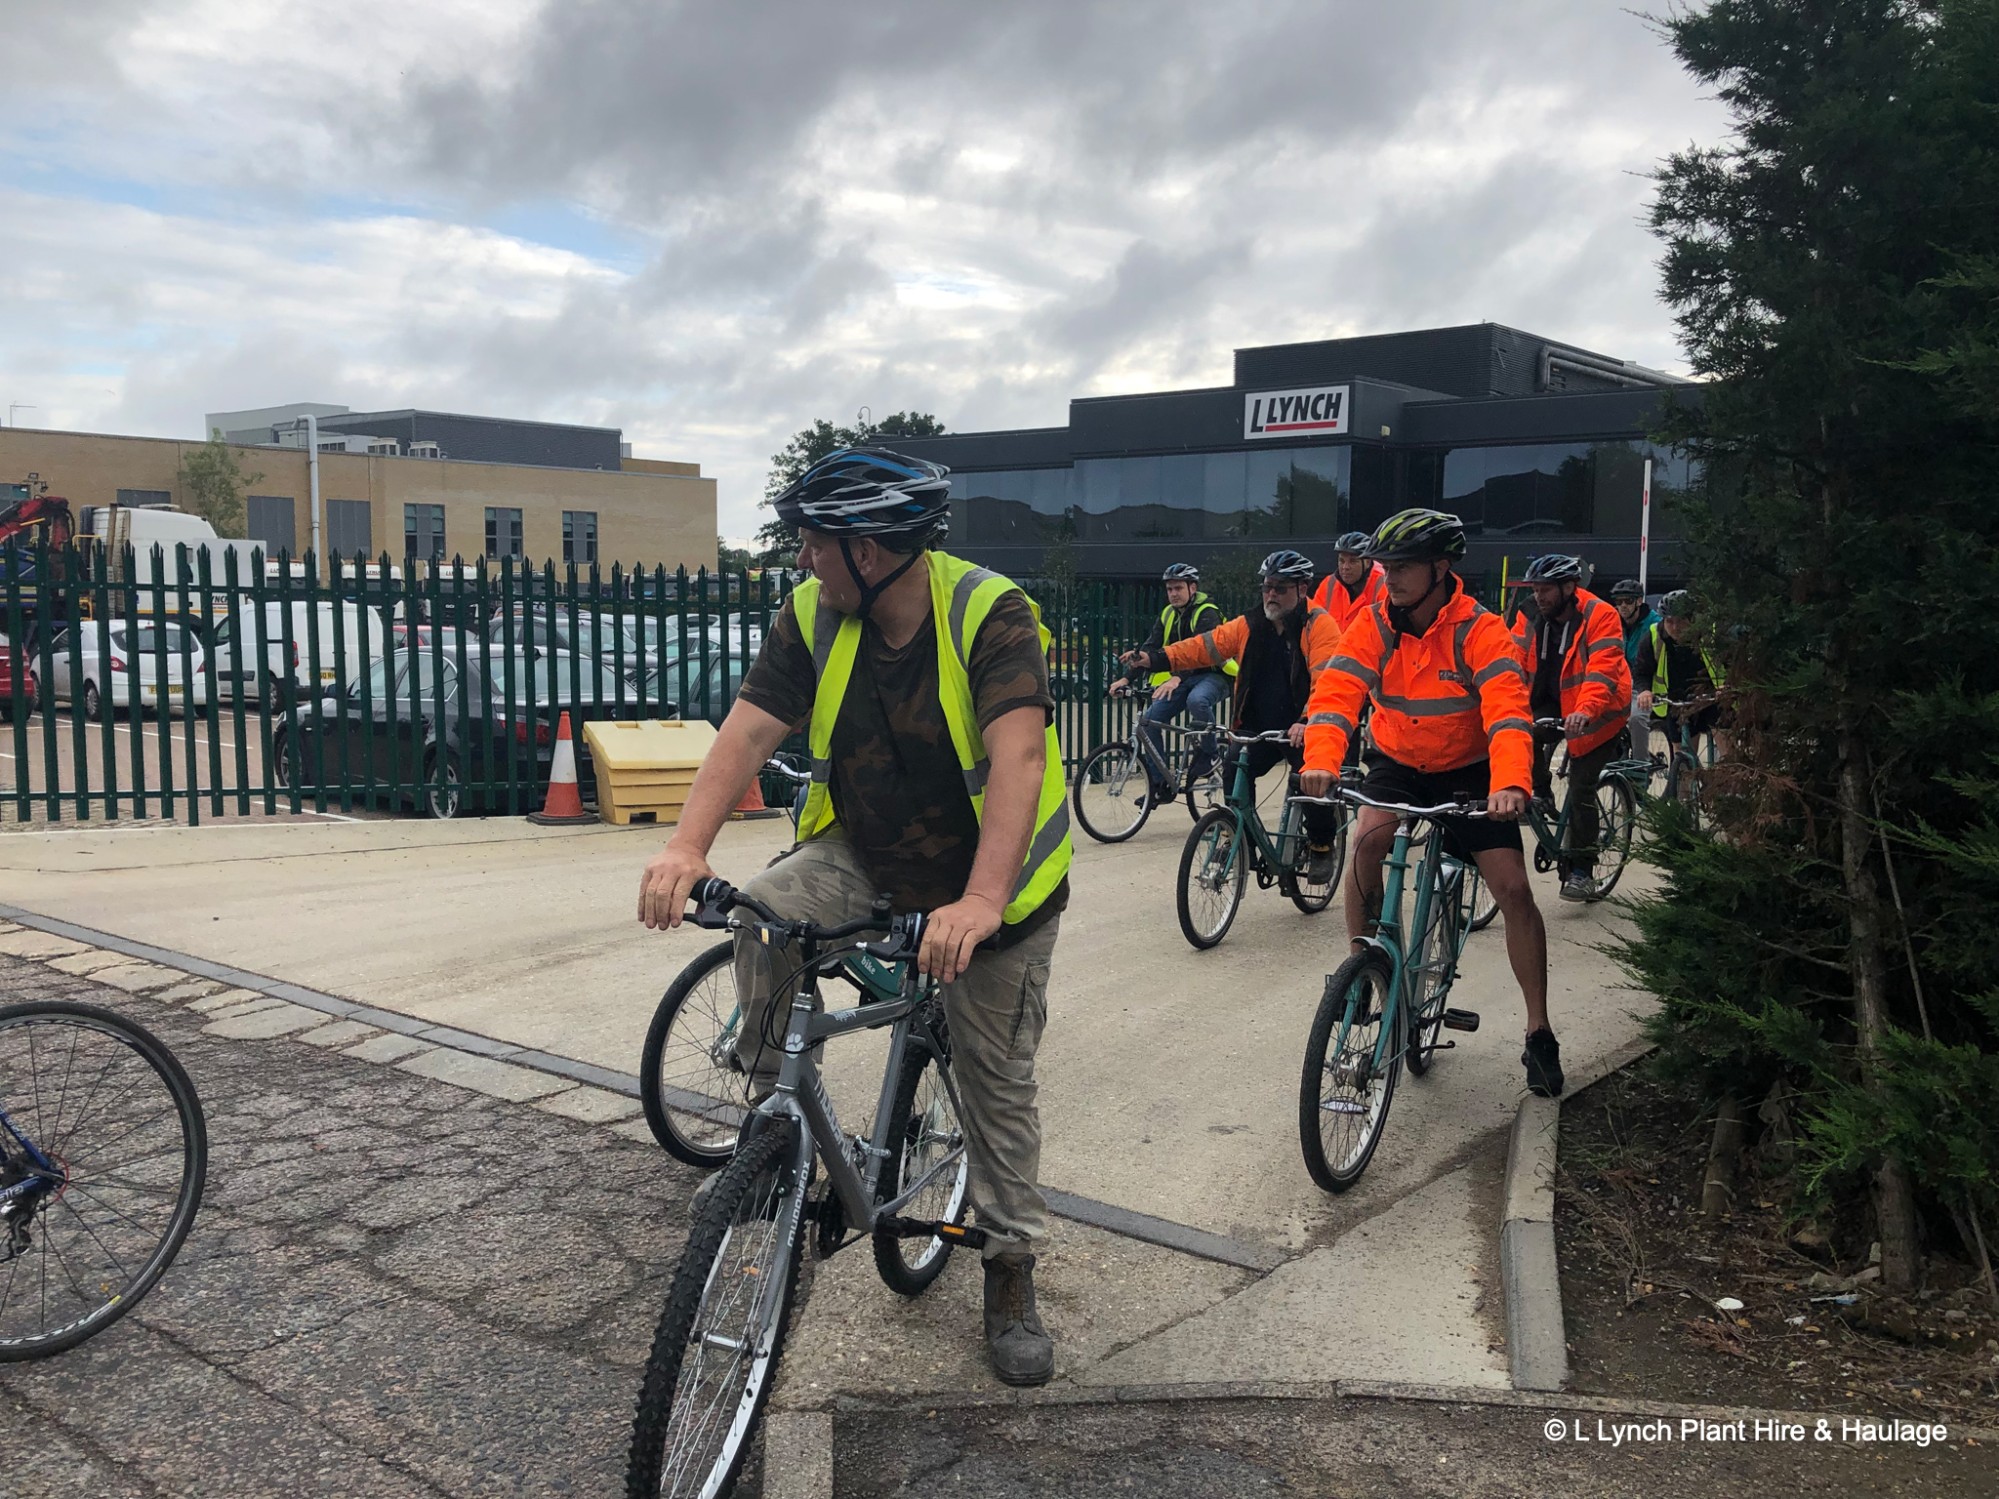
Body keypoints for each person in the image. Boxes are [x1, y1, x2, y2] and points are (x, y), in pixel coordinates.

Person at [635, 447, 1071, 1388]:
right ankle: (775, 1131)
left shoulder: (987, 613)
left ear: (868, 551)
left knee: (993, 1078)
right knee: (763, 914)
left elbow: (1018, 762)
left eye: (813, 542)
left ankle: (1008, 1265)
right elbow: (748, 728)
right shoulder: (813, 613)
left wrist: (983, 901)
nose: (801, 560)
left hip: (992, 882)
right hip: (869, 854)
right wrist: (686, 848)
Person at [1297, 508, 1564, 1098]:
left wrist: (1512, 781)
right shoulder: (1373, 623)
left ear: (1441, 568)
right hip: (1397, 761)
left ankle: (1539, 1029)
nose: (1387, 577)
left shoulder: (1480, 628)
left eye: (1402, 567)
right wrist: (1320, 756)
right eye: (1384, 566)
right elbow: (1337, 691)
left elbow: (1508, 709)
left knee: (1514, 889)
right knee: (1367, 840)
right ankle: (1358, 974)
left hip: (1471, 772)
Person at [1136, 549, 1345, 882]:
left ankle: (1322, 846)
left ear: (1302, 589)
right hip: (1256, 725)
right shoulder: (1251, 623)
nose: (1271, 595)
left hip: (1303, 727)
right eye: (1267, 587)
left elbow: (1327, 680)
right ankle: (1241, 839)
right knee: (1234, 771)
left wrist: (1307, 720)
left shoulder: (1320, 625)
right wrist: (1158, 659)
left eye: (1280, 588)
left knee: (1311, 780)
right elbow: (1205, 645)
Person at [1507, 555, 1634, 902]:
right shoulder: (1529, 613)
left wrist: (1585, 710)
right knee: (1519, 733)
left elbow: (1602, 671)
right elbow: (1512, 661)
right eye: (1534, 589)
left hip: (1601, 709)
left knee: (1581, 788)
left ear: (1569, 588)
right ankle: (1541, 791)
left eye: (1545, 589)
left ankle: (1582, 870)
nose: (1539, 596)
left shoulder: (1601, 615)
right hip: (1550, 698)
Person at [1114, 563, 1233, 800]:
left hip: (1216, 674)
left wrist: (1176, 677)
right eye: (1169, 589)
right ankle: (1161, 787)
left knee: (1197, 700)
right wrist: (1127, 677)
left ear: (1193, 587)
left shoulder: (1207, 613)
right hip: (1184, 678)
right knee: (1148, 723)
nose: (1173, 594)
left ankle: (1210, 753)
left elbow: (1203, 653)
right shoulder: (1168, 613)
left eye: (1178, 588)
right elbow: (1151, 649)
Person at [1633, 589, 1729, 752]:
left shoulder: (1711, 634)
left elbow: (1732, 664)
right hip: (1677, 700)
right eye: (1669, 621)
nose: (1675, 627)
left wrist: (1726, 686)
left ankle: (1728, 772)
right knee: (1682, 757)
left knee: (1727, 750)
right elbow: (1642, 670)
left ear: (1693, 618)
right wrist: (1644, 691)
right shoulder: (1654, 637)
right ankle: (1685, 774)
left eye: (1681, 620)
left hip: (1714, 699)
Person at [1309, 530, 1386, 633]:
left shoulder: (1382, 584)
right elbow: (1312, 625)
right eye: (1341, 561)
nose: (1345, 567)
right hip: (1332, 647)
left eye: (1353, 561)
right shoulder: (1329, 584)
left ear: (1367, 562)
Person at [1608, 578, 1658, 669]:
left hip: (1645, 677)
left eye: (1628, 601)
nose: (1623, 605)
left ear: (1639, 601)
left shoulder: (1655, 623)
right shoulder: (1611, 623)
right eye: (1618, 601)